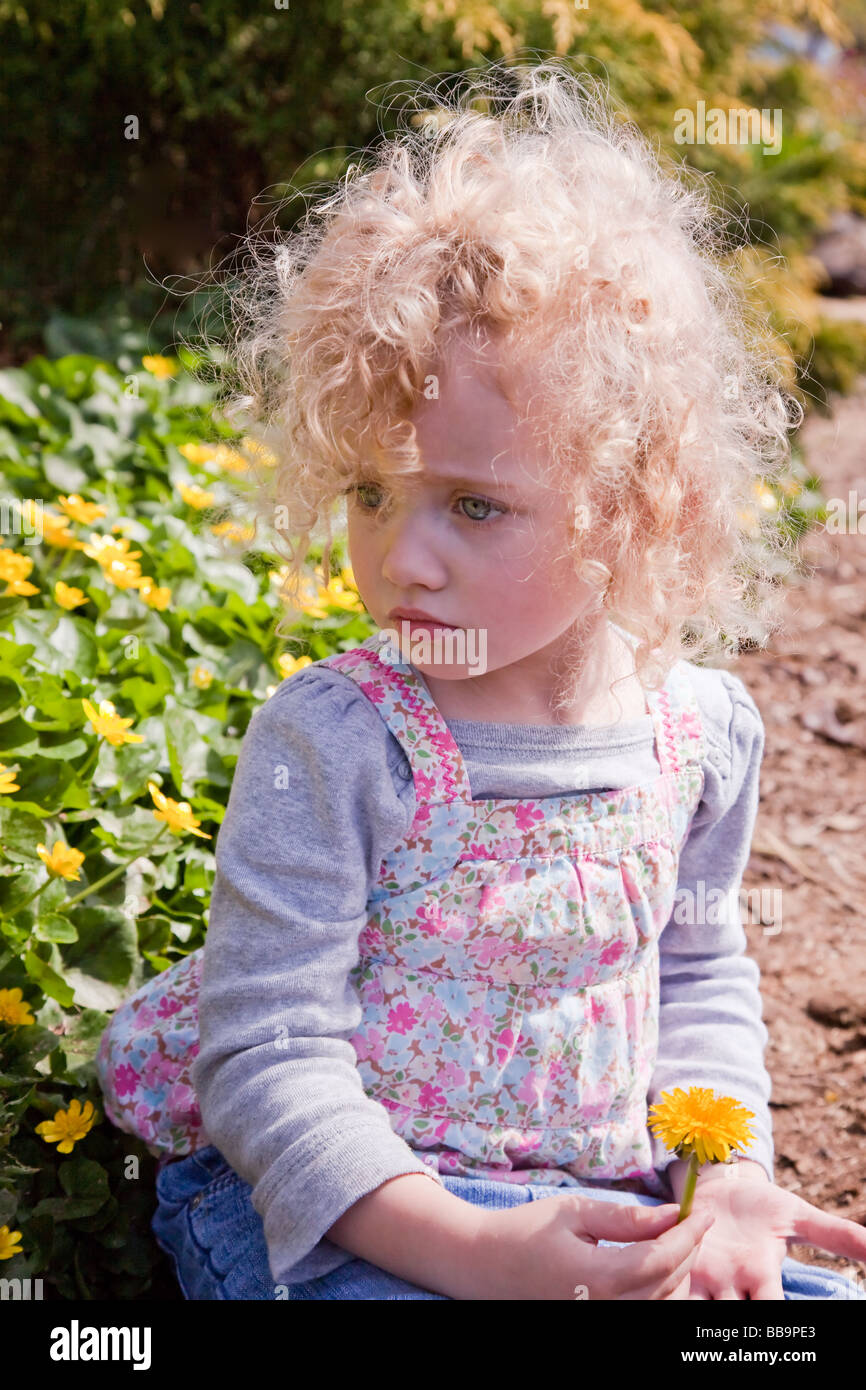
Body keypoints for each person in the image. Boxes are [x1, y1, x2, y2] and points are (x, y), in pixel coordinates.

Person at [96, 58, 866, 1300]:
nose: (402, 559)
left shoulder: (695, 731)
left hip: (597, 1201)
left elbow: (698, 973)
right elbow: (267, 1047)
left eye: (471, 504)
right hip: (347, 1207)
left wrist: (720, 1175)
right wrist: (467, 1249)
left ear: (630, 504)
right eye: (368, 495)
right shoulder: (340, 741)